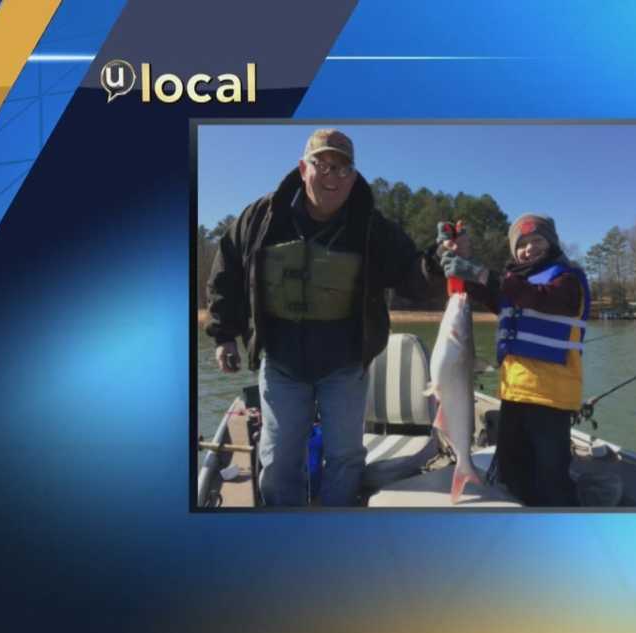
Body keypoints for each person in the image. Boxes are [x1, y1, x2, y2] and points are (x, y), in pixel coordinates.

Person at [206, 129, 443, 506]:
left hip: (345, 366)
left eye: (343, 167)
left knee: (346, 457)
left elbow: (414, 276)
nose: (332, 176)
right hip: (282, 362)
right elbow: (227, 271)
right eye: (323, 165)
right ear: (304, 168)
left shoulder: (372, 227)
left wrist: (437, 262)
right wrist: (224, 334)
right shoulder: (261, 216)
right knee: (280, 458)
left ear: (353, 176)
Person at [439, 213, 591, 506]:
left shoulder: (569, 279)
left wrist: (483, 273)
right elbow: (482, 292)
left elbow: (539, 298)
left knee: (551, 478)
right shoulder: (514, 286)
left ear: (552, 243)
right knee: (512, 473)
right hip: (513, 394)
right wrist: (451, 257)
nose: (529, 248)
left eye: (537, 240)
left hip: (551, 400)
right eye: (522, 244)